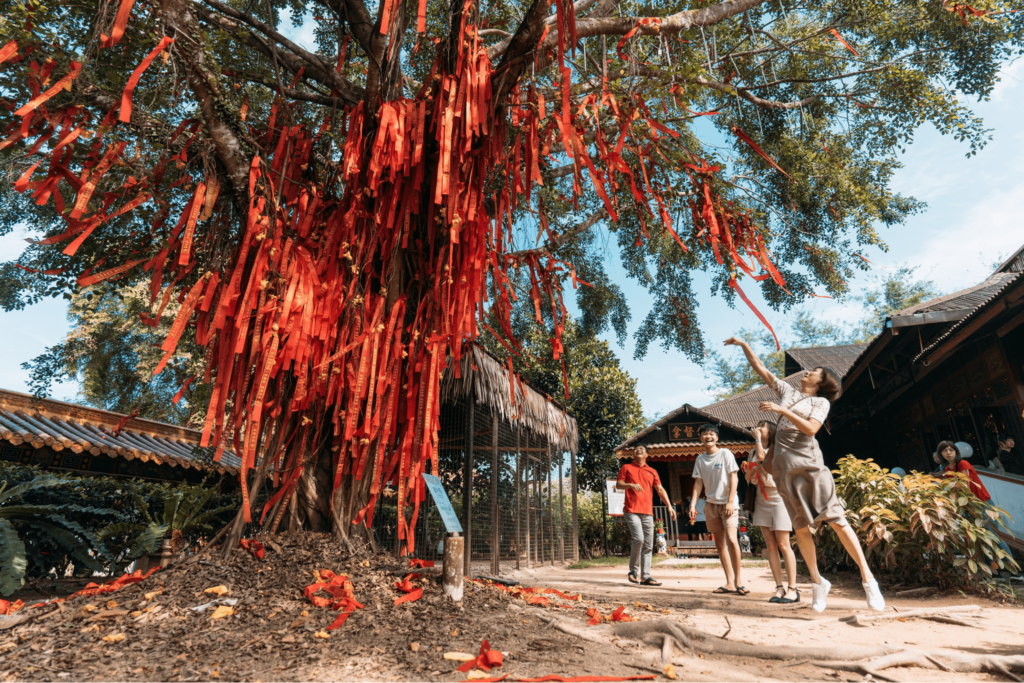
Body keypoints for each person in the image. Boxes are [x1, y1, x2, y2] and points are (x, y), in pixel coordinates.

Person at [724, 336, 885, 613]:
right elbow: (761, 369)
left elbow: (810, 430)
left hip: (811, 470)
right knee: (801, 529)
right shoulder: (786, 391)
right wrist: (744, 346)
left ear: (821, 383)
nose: (807, 373)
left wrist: (782, 410)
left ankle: (868, 580)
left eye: (814, 373)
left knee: (837, 522)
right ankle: (817, 582)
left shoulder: (820, 403)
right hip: (786, 475)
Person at [937, 440, 1016, 577]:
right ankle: (993, 571)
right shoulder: (948, 469)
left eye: (951, 450)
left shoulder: (963, 464)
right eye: (945, 451)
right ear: (940, 454)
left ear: (956, 451)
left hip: (981, 504)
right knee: (979, 539)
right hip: (967, 506)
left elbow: (964, 487)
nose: (948, 453)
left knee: (992, 535)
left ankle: (1014, 570)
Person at [744, 420, 799, 604]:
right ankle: (779, 587)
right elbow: (750, 476)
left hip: (780, 498)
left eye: (762, 426)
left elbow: (762, 458)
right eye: (757, 425)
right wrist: (749, 473)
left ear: (771, 430)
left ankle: (793, 589)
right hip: (761, 499)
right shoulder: (752, 451)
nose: (758, 428)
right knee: (770, 545)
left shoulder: (778, 448)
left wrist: (757, 440)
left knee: (784, 544)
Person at [689, 423, 747, 595]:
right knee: (720, 543)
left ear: (717, 437)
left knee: (732, 538)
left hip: (728, 504)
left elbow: (734, 477)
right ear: (700, 438)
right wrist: (692, 505)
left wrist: (730, 501)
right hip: (711, 504)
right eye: (705, 434)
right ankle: (729, 582)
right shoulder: (700, 459)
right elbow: (698, 483)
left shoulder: (725, 453)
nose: (708, 436)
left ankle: (739, 581)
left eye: (712, 433)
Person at [616, 445, 676, 586]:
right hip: (631, 510)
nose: (638, 450)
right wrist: (630, 485)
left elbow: (660, 489)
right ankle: (633, 571)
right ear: (633, 454)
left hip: (648, 512)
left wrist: (669, 506)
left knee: (648, 544)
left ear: (647, 455)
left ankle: (645, 577)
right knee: (639, 539)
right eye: (636, 450)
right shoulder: (626, 468)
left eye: (642, 450)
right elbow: (619, 484)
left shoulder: (652, 471)